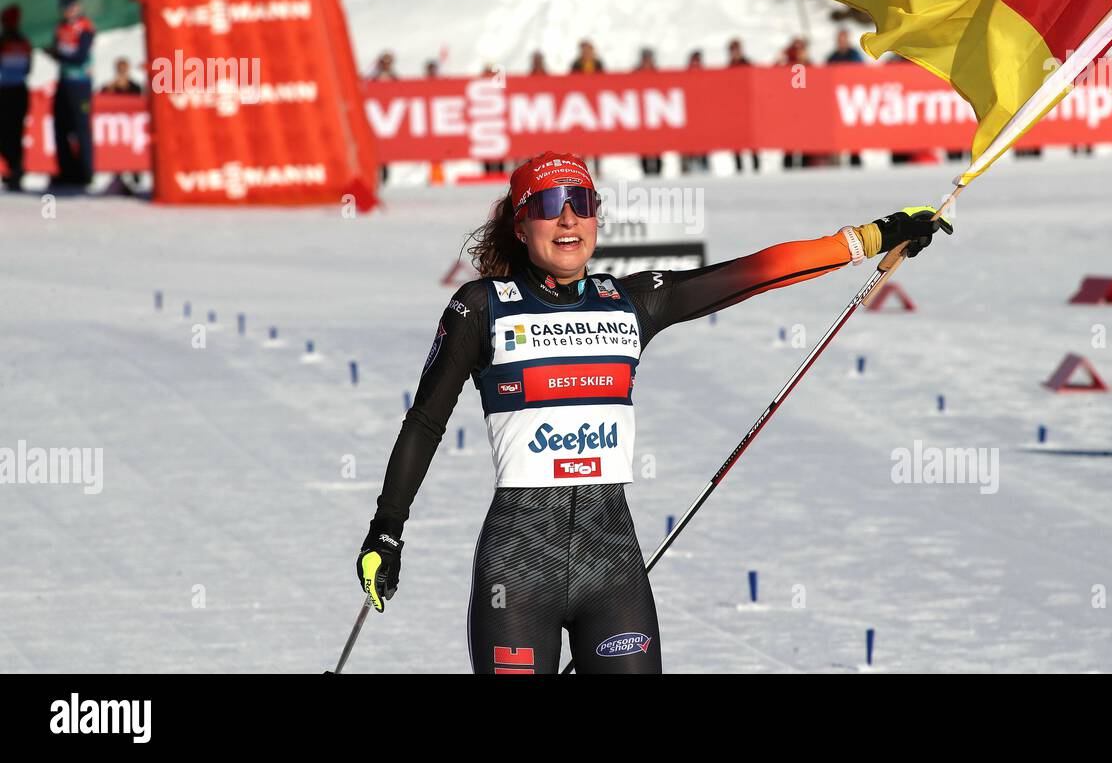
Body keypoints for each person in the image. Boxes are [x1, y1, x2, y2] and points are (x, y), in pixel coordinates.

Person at [356, 150, 953, 674]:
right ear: (520, 224)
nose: (569, 217)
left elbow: (748, 274)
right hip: (517, 569)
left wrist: (873, 237)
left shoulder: (632, 300)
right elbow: (426, 422)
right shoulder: (482, 307)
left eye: (582, 201)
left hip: (611, 564)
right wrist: (388, 527)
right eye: (550, 203)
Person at [46, 0, 95, 186]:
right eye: (64, 7)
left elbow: (80, 57)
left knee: (82, 129)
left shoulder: (85, 27)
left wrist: (58, 55)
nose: (68, 11)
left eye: (71, 6)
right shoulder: (61, 28)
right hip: (64, 83)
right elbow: (58, 50)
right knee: (60, 128)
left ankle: (85, 174)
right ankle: (67, 172)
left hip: (81, 84)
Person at [0, 4, 32, 191]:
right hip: (19, 91)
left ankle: (15, 170)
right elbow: (28, 68)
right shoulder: (24, 42)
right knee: (15, 132)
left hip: (8, 91)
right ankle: (15, 169)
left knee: (8, 132)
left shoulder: (5, 42)